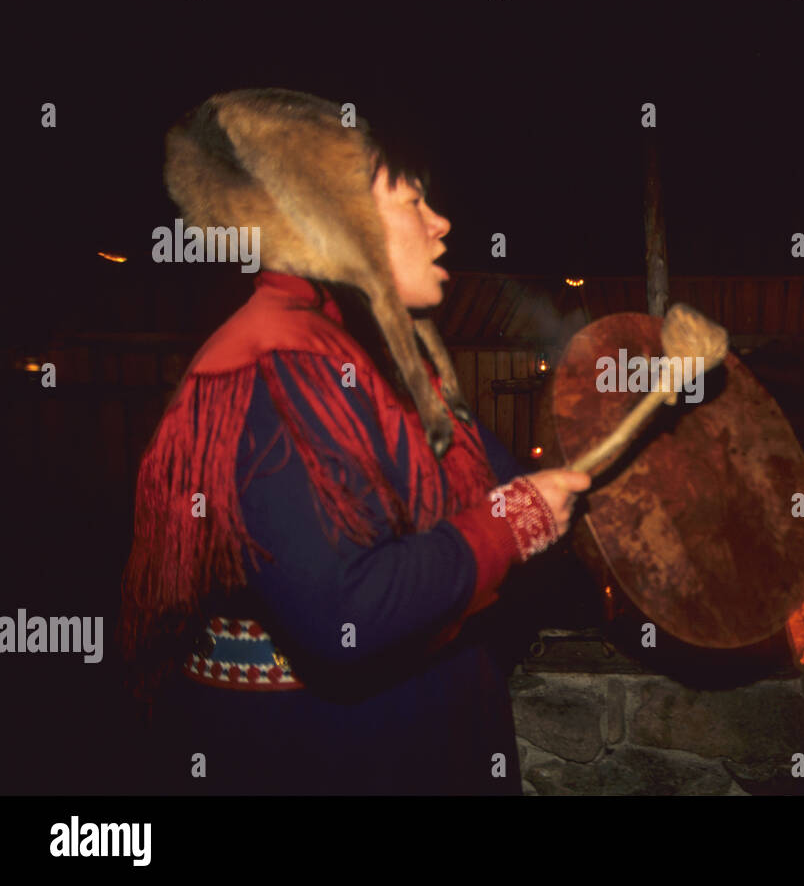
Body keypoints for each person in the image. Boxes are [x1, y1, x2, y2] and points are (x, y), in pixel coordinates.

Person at [118, 89, 590, 795]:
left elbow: (505, 486)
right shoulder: (274, 364)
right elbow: (345, 612)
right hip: (326, 754)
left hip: (410, 736)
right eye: (413, 201)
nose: (440, 223)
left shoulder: (383, 358)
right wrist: (512, 523)